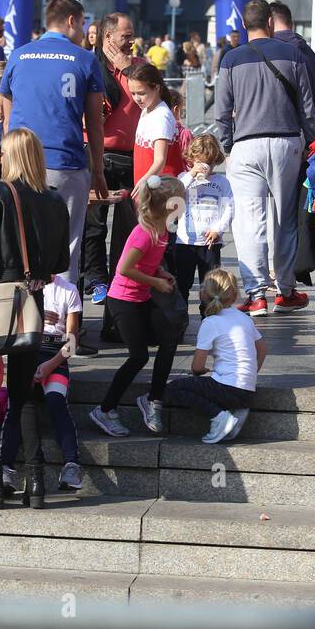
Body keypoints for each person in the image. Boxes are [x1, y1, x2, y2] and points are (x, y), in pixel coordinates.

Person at [0, 127, 71, 509]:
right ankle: (36, 483)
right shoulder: (56, 201)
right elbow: (62, 262)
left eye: (4, 155)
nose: (0, 160)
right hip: (31, 303)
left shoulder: (0, 192)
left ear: (12, 157)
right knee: (24, 394)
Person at [0, 0, 109, 287]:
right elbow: (95, 123)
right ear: (71, 21)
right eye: (83, 23)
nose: (85, 30)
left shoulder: (19, 55)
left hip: (21, 165)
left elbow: (8, 119)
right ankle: (61, 321)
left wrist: (5, 163)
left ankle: (24, 313)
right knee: (68, 244)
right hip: (66, 163)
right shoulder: (85, 59)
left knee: (22, 241)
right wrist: (98, 170)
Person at [214, 0, 315, 315]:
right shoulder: (294, 54)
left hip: (246, 145)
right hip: (287, 142)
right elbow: (307, 107)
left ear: (244, 26)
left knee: (248, 220)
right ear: (270, 23)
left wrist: (227, 147)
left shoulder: (230, 59)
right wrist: (309, 144)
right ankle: (285, 290)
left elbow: (221, 111)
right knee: (284, 219)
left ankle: (256, 294)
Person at [87, 175, 187, 437]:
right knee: (138, 356)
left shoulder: (163, 229)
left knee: (170, 337)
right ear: (168, 205)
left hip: (141, 297)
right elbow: (124, 268)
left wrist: (161, 271)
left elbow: (148, 262)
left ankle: (153, 399)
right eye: (182, 201)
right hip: (123, 301)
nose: (185, 204)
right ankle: (105, 410)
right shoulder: (144, 233)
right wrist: (155, 281)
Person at [166, 267, 267, 444]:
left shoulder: (210, 323)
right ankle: (236, 409)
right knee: (212, 384)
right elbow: (263, 349)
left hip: (227, 388)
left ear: (203, 294)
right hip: (248, 389)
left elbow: (196, 367)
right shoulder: (244, 318)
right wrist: (250, 373)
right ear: (234, 296)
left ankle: (220, 417)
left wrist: (202, 371)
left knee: (175, 388)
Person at [82, 12, 142, 309]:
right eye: (126, 36)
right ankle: (95, 279)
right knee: (93, 223)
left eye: (131, 36)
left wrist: (129, 70)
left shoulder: (140, 67)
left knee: (129, 224)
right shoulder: (87, 65)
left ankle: (123, 276)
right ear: (108, 37)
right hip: (94, 152)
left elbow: (157, 98)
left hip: (132, 156)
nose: (131, 41)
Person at [35, 272, 85, 493]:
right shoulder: (22, 286)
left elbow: (72, 342)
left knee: (55, 399)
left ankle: (72, 464)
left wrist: (50, 365)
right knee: (18, 406)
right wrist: (37, 316)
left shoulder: (69, 289)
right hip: (28, 352)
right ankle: (5, 467)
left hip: (56, 355)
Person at [175, 134, 234, 302]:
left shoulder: (222, 182)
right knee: (182, 283)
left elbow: (229, 207)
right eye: (199, 162)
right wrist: (192, 173)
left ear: (215, 161)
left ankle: (208, 316)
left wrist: (218, 229)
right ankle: (179, 318)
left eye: (208, 163)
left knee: (210, 284)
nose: (203, 167)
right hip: (185, 241)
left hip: (210, 243)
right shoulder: (184, 178)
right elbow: (176, 192)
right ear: (191, 159)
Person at [128, 63, 186, 196]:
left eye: (141, 93)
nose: (137, 98)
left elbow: (160, 160)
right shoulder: (147, 109)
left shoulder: (161, 116)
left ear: (156, 88)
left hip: (160, 191)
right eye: (133, 93)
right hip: (151, 187)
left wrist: (143, 181)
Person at [269, 1, 315, 110]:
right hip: (303, 124)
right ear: (292, 23)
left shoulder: (267, 53)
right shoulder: (310, 53)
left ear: (269, 23)